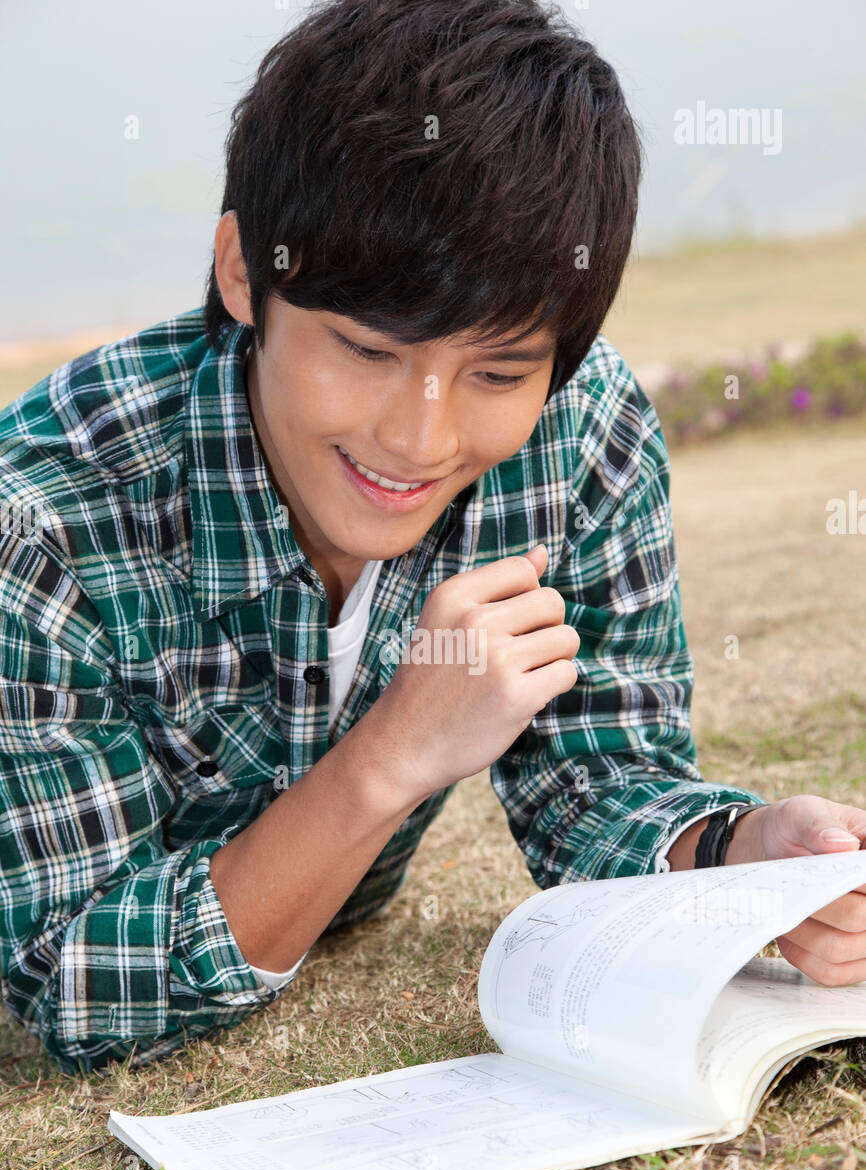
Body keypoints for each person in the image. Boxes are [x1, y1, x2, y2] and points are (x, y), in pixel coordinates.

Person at [1, 0, 864, 1076]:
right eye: (364, 351)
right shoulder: (43, 523)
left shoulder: (581, 429)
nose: (418, 437)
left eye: (497, 372)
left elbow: (593, 772)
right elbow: (78, 982)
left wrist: (737, 857)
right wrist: (392, 756)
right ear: (240, 273)